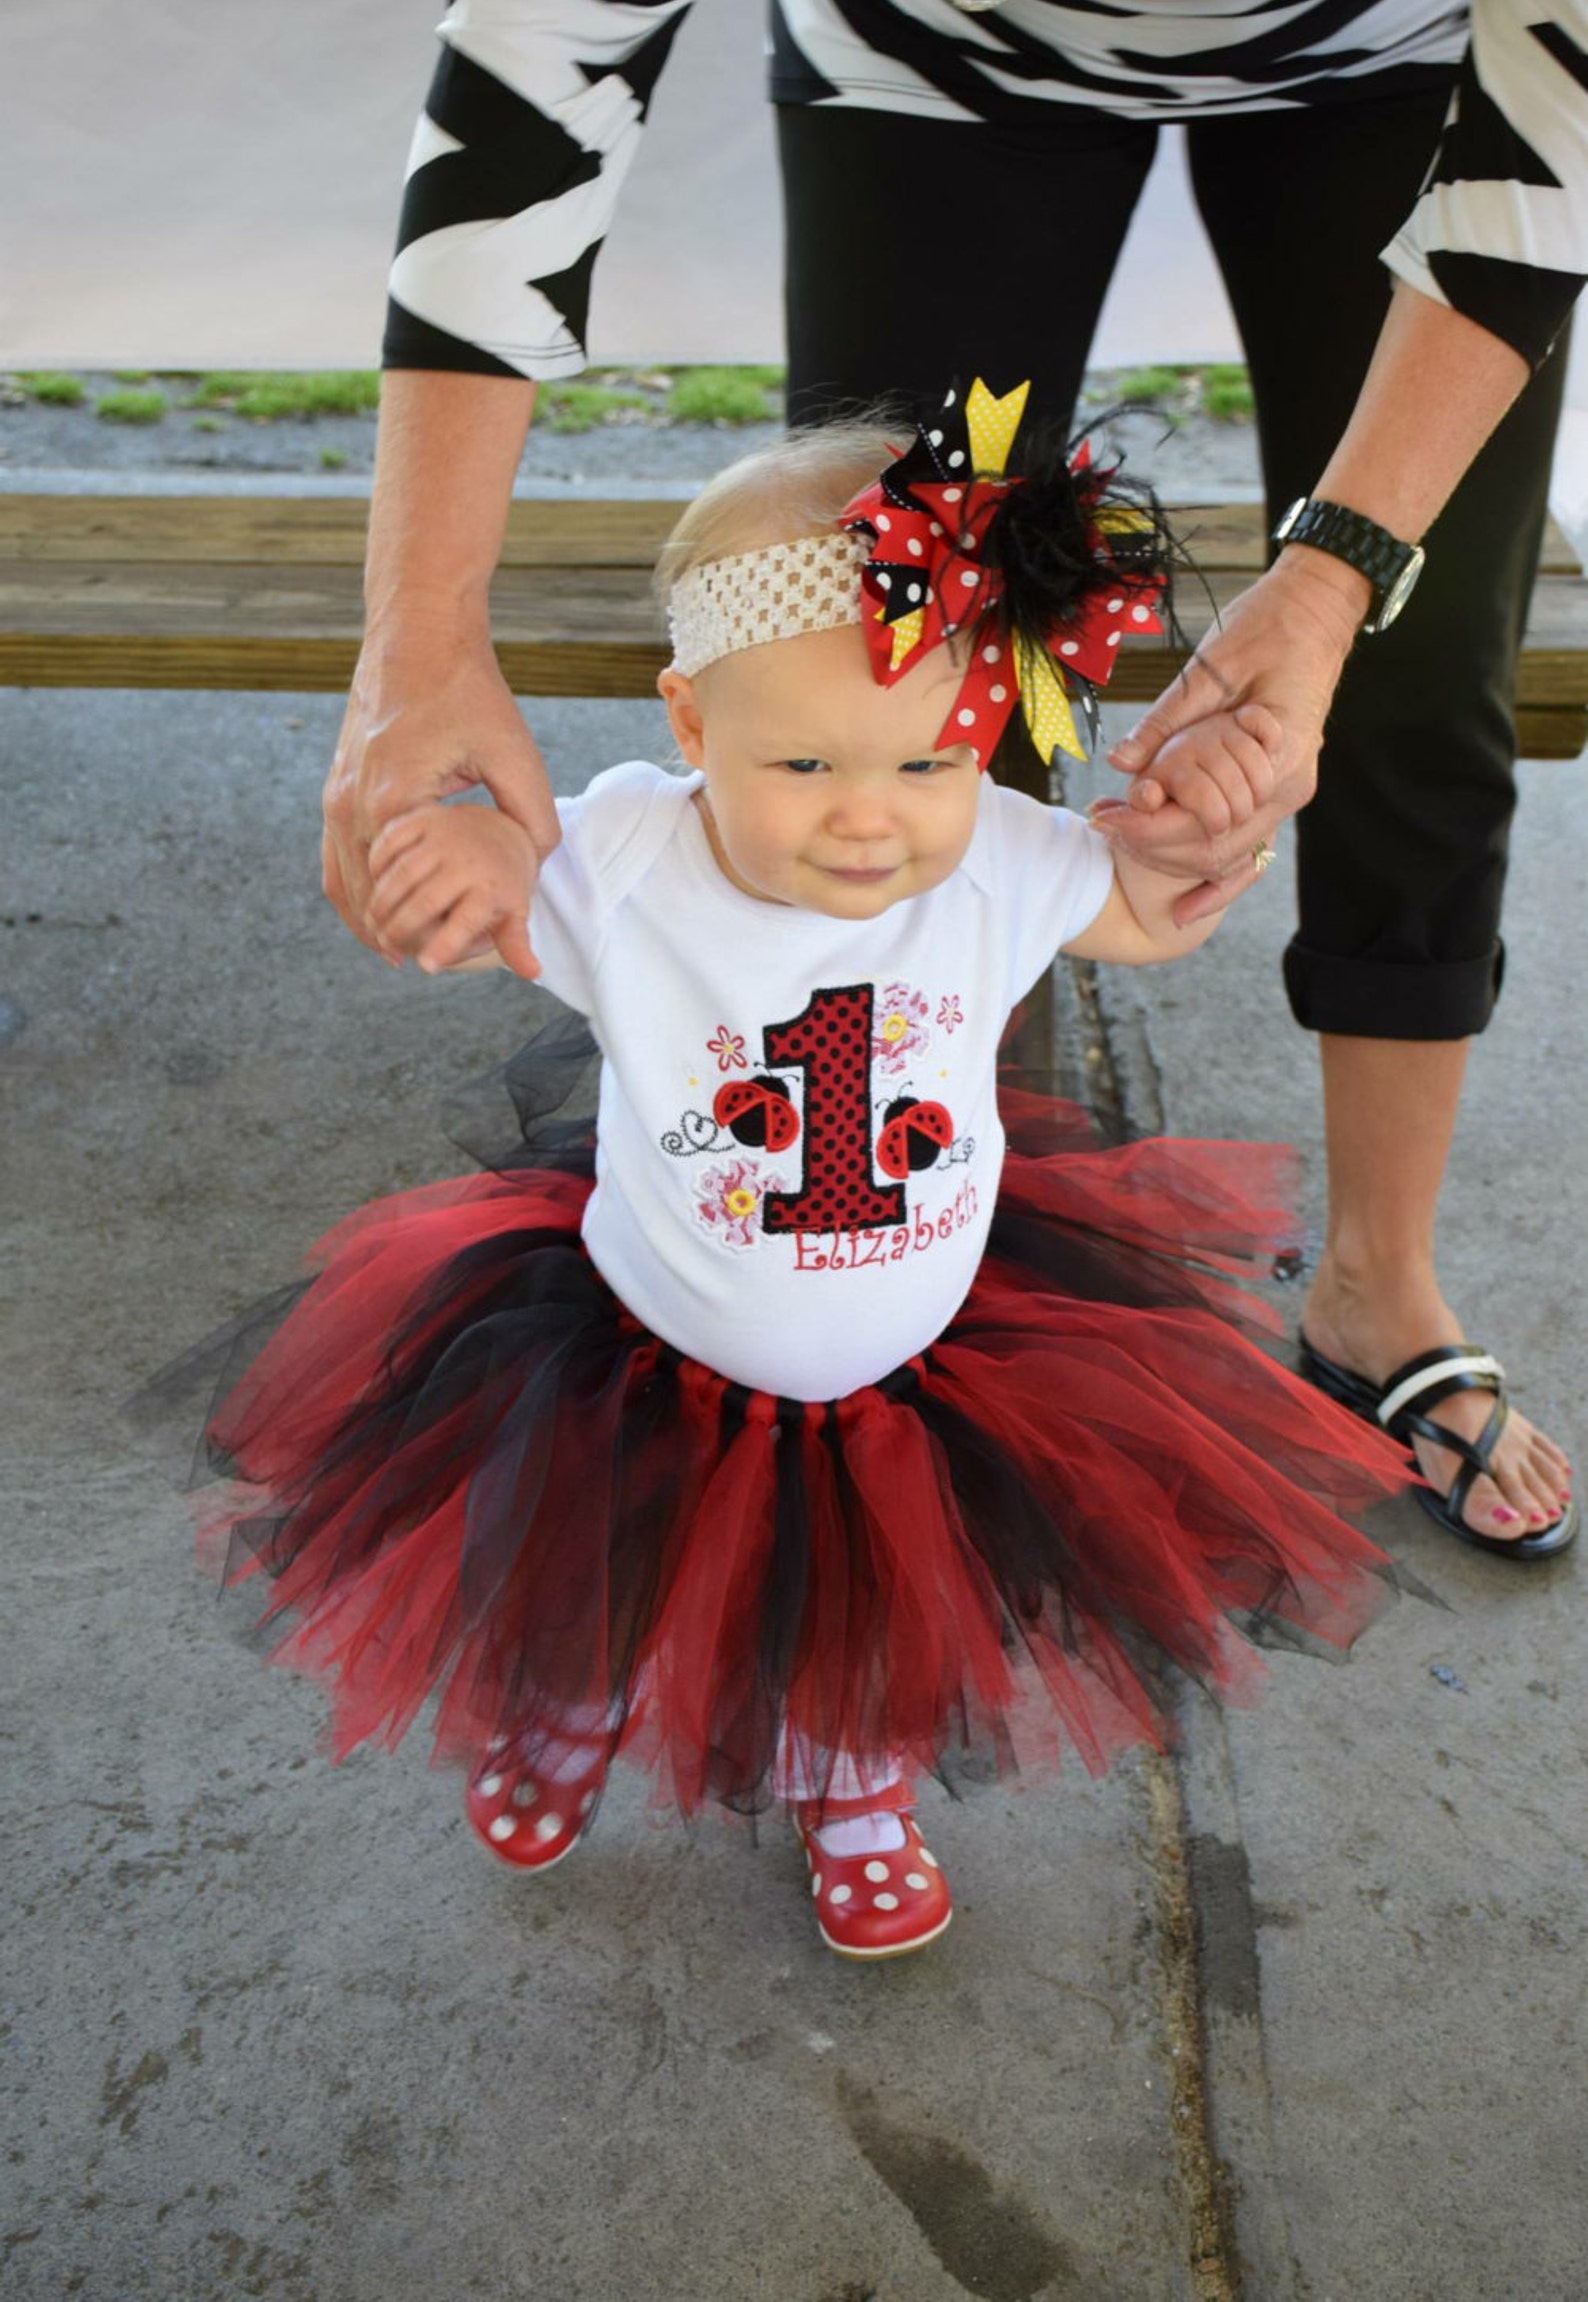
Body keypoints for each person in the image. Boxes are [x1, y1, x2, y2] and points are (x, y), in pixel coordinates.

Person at [327, 0, 1584, 1555]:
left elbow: (1557, 114)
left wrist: (1290, 660)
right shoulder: (643, 837)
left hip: (1400, 45)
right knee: (877, 659)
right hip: (940, 38)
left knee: (1415, 674)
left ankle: (1381, 1277)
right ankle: (897, 1269)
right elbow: (540, 33)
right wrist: (418, 640)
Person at [202, 401, 1414, 1961]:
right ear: (692, 726)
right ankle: (567, 1711)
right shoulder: (626, 863)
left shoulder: (993, 852)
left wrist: (1196, 844)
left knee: (864, 1605)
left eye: (927, 757)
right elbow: (504, 890)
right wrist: (469, 856)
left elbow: (1136, 907)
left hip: (910, 1372)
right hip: (647, 1361)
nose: (870, 811)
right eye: (804, 760)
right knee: (603, 1567)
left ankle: (850, 1785)